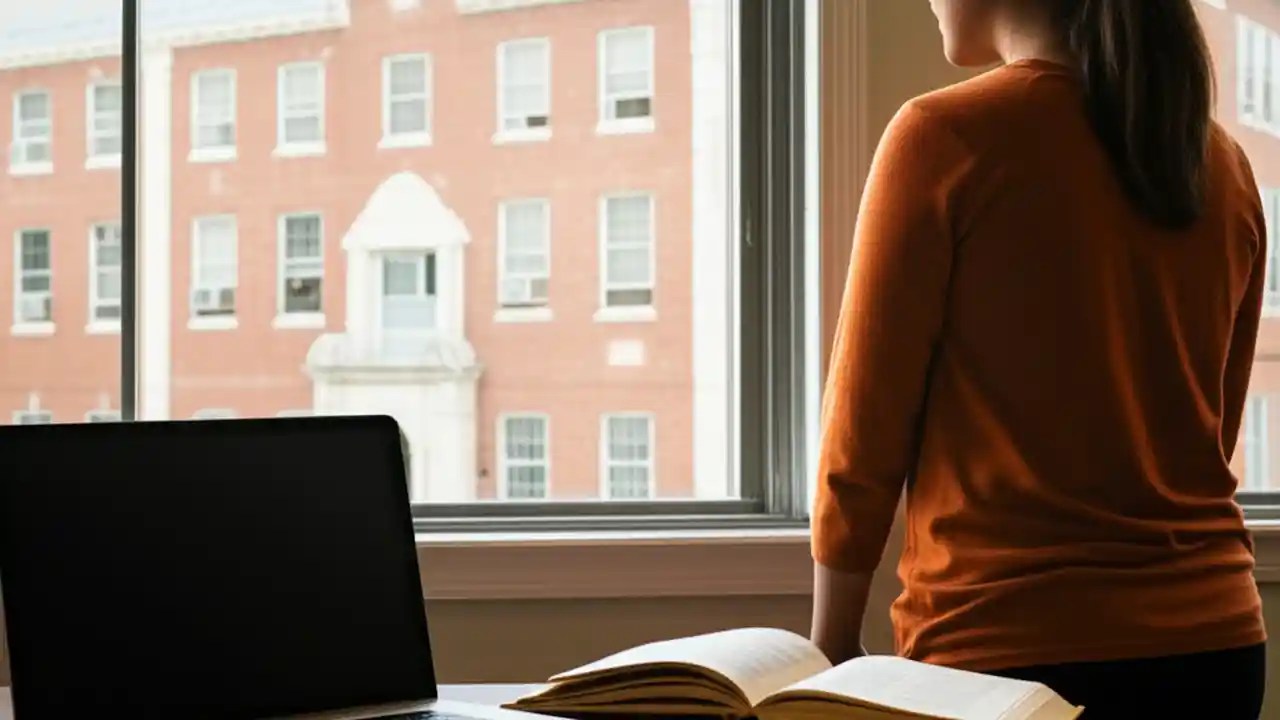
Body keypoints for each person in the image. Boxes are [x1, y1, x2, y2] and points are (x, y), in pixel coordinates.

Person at [809, 1, 1267, 717]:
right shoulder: (1221, 163)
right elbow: (1208, 433)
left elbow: (864, 428)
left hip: (1002, 654)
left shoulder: (943, 137)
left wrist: (831, 640)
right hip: (1217, 648)